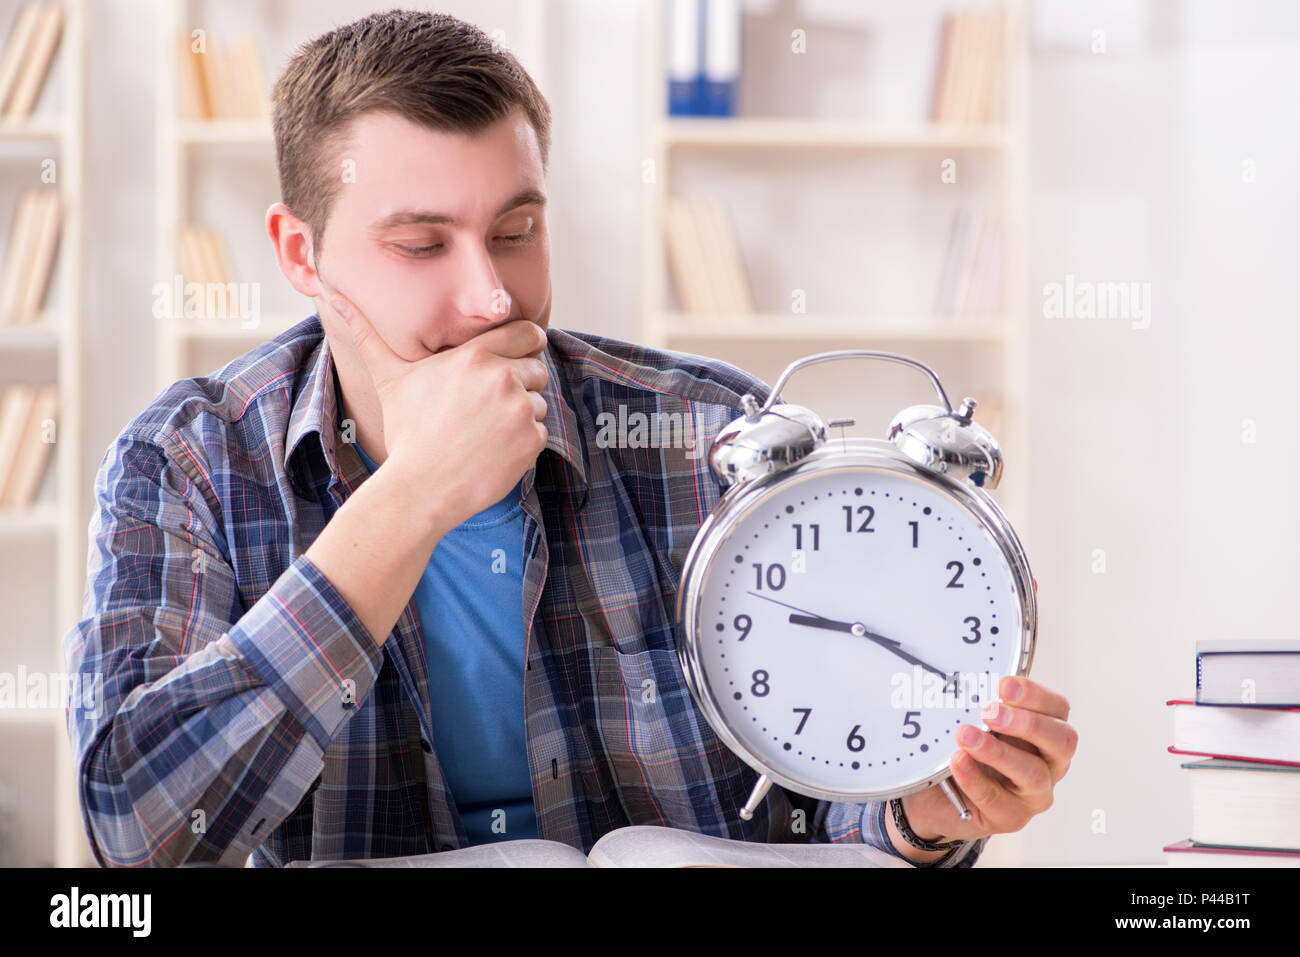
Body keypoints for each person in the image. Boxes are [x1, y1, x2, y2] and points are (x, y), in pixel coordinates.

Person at [65, 10, 1076, 868]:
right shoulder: (189, 459)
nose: (492, 295)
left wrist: (916, 813)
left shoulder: (709, 435)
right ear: (300, 251)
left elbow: (817, 791)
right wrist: (411, 494)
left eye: (516, 230)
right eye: (421, 244)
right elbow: (140, 831)